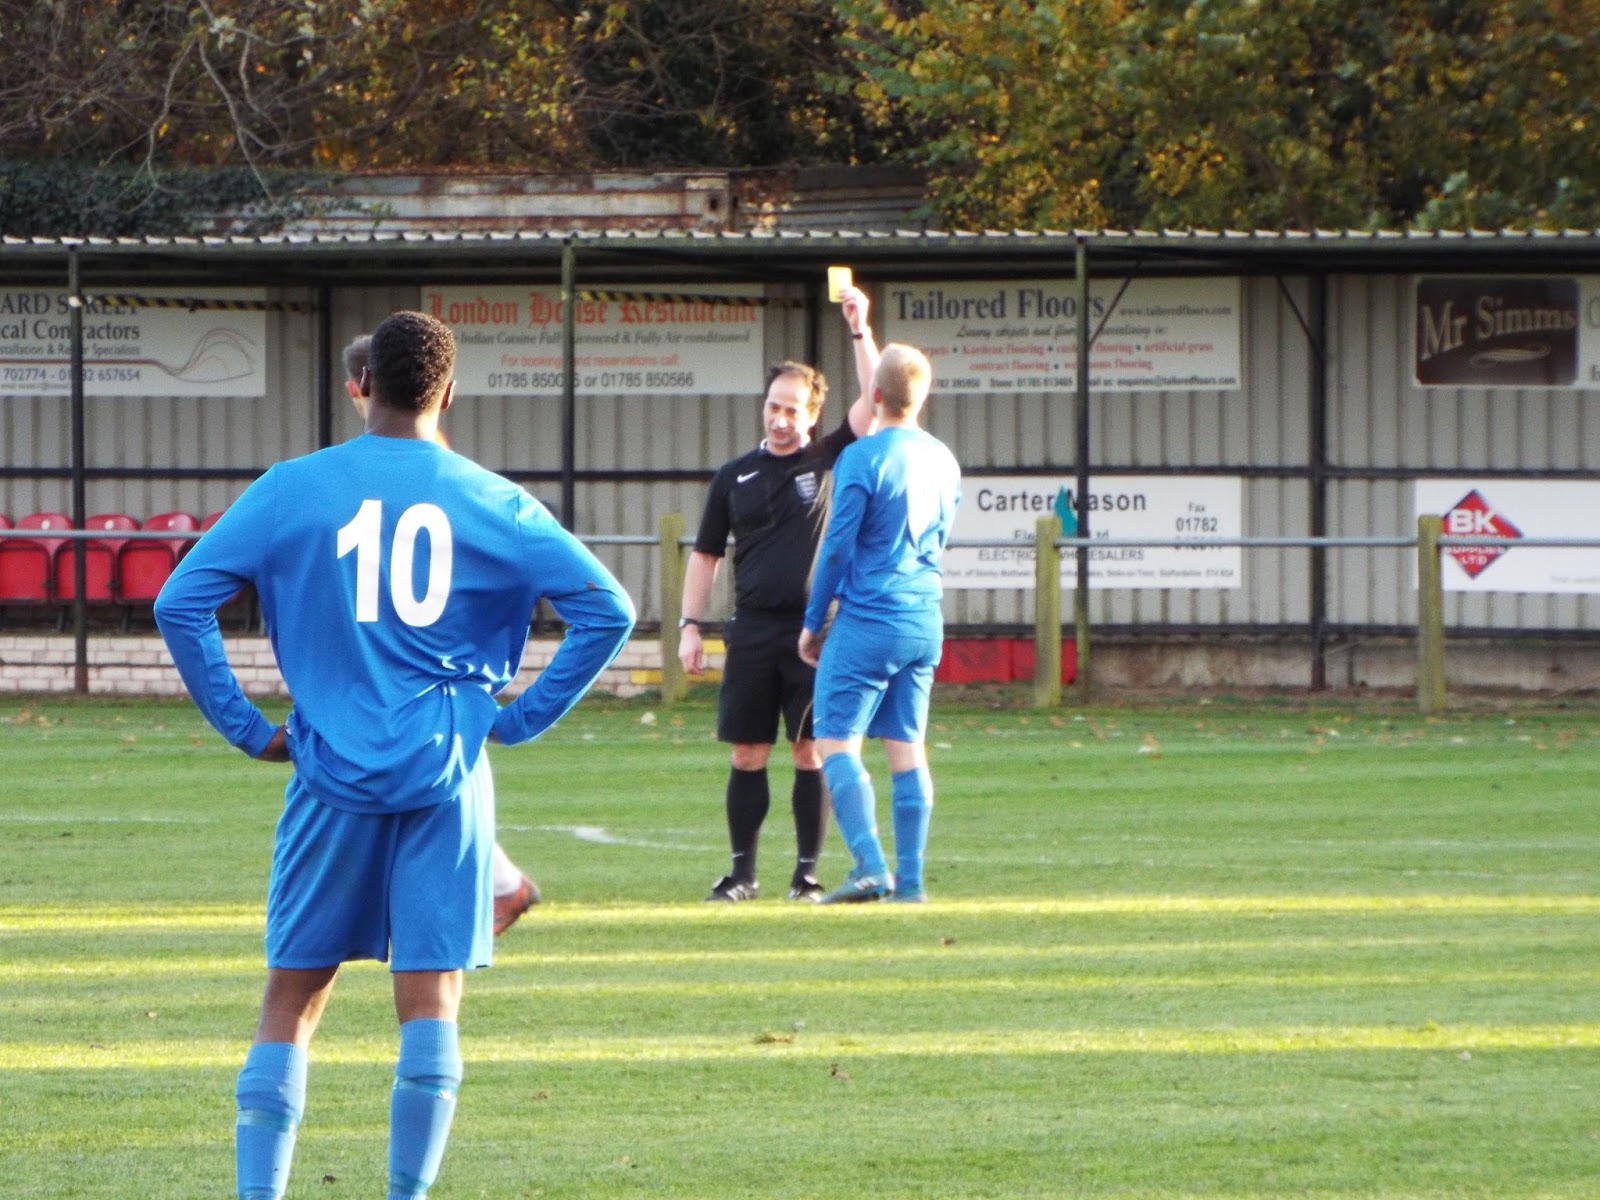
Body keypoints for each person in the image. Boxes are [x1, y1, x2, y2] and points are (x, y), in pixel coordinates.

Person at [156, 311, 636, 1200]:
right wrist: (521, 719)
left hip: (327, 775)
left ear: (362, 382)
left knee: (291, 1000)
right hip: (446, 784)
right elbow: (609, 610)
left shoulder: (291, 489)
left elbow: (180, 602)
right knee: (430, 1004)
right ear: (450, 392)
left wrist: (245, 724)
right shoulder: (496, 500)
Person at [679, 282, 879, 902]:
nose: (781, 418)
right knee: (746, 753)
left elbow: (876, 401)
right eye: (773, 406)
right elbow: (706, 555)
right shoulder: (732, 476)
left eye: (793, 409)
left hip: (815, 633)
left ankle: (806, 874)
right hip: (753, 631)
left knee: (810, 752)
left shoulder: (825, 459)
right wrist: (690, 625)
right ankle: (741, 874)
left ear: (812, 415)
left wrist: (858, 327)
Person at [342, 333, 539, 935]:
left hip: (415, 650)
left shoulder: (409, 461)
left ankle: (496, 889)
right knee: (447, 771)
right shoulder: (416, 456)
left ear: (360, 387)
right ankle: (501, 887)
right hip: (436, 655)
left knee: (426, 778)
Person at [798, 342, 961, 905]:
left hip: (871, 615)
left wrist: (813, 620)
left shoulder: (862, 458)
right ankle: (911, 883)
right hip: (924, 618)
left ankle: (869, 863)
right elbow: (941, 540)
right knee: (906, 746)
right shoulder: (944, 459)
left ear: (874, 394)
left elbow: (838, 548)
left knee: (833, 740)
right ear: (922, 397)